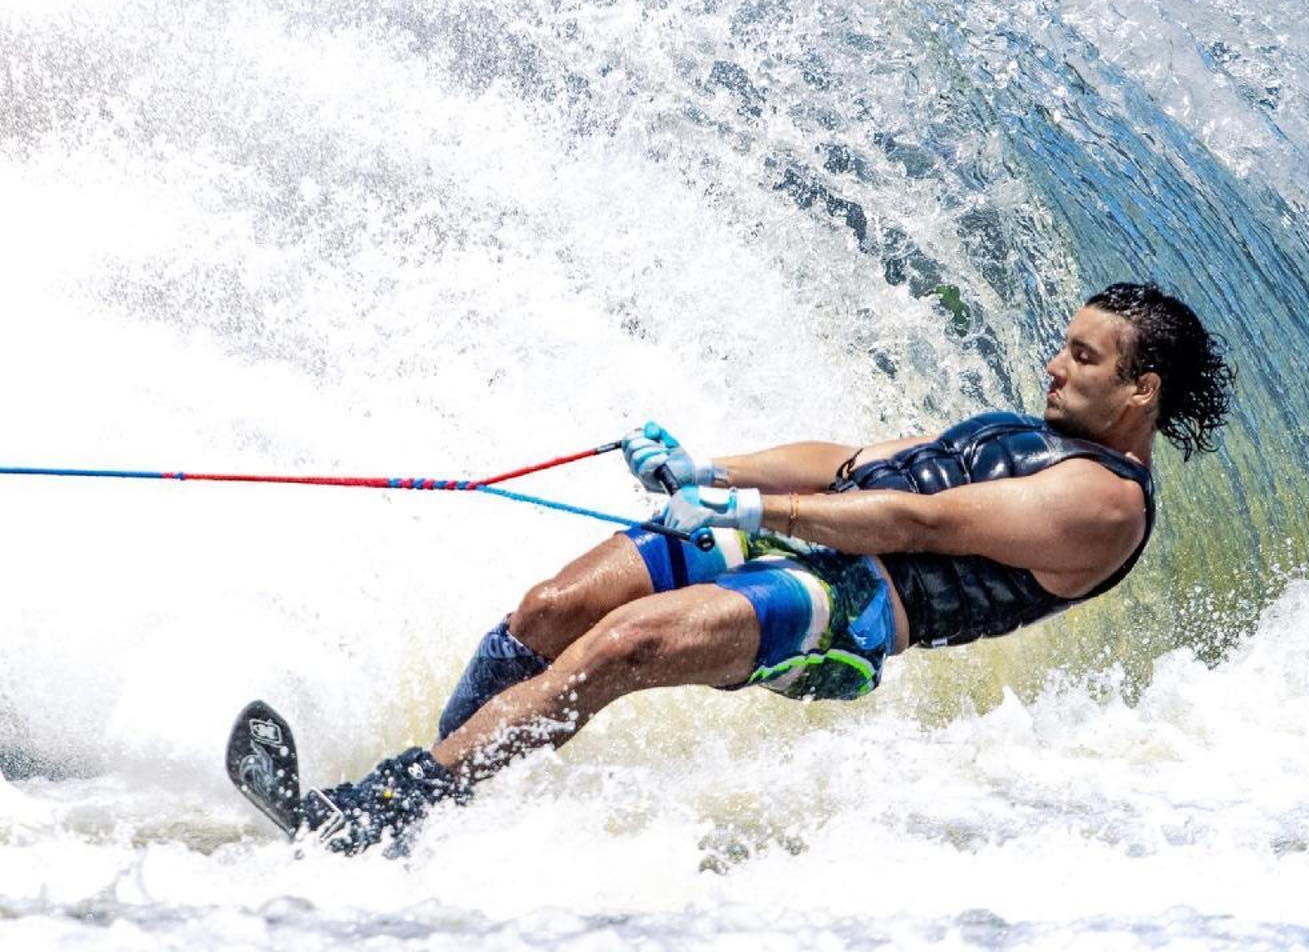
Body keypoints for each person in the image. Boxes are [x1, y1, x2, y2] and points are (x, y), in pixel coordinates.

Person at [299, 282, 1234, 854]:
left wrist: (753, 512)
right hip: (805, 535)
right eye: (1065, 345)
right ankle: (439, 801)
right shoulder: (1026, 433)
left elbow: (918, 522)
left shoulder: (1106, 505)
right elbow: (851, 462)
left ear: (1140, 390)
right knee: (551, 609)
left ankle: (384, 808)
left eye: (1082, 357)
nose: (1054, 365)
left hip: (851, 607)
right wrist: (708, 471)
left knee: (625, 645)